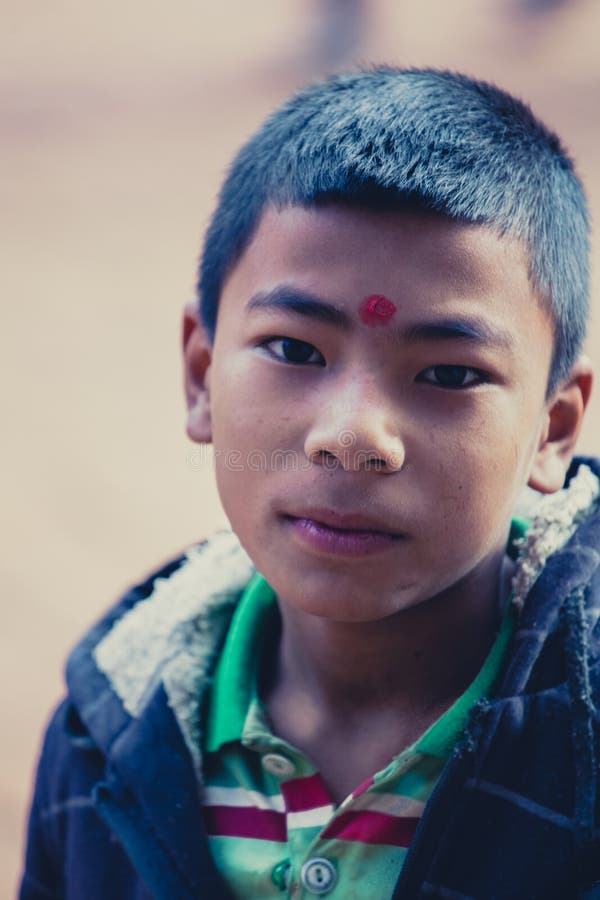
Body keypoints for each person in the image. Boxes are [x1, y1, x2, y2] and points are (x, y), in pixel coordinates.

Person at [20, 68, 600, 900]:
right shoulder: (106, 735)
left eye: (447, 372)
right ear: (200, 374)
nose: (352, 437)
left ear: (554, 427)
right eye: (294, 350)